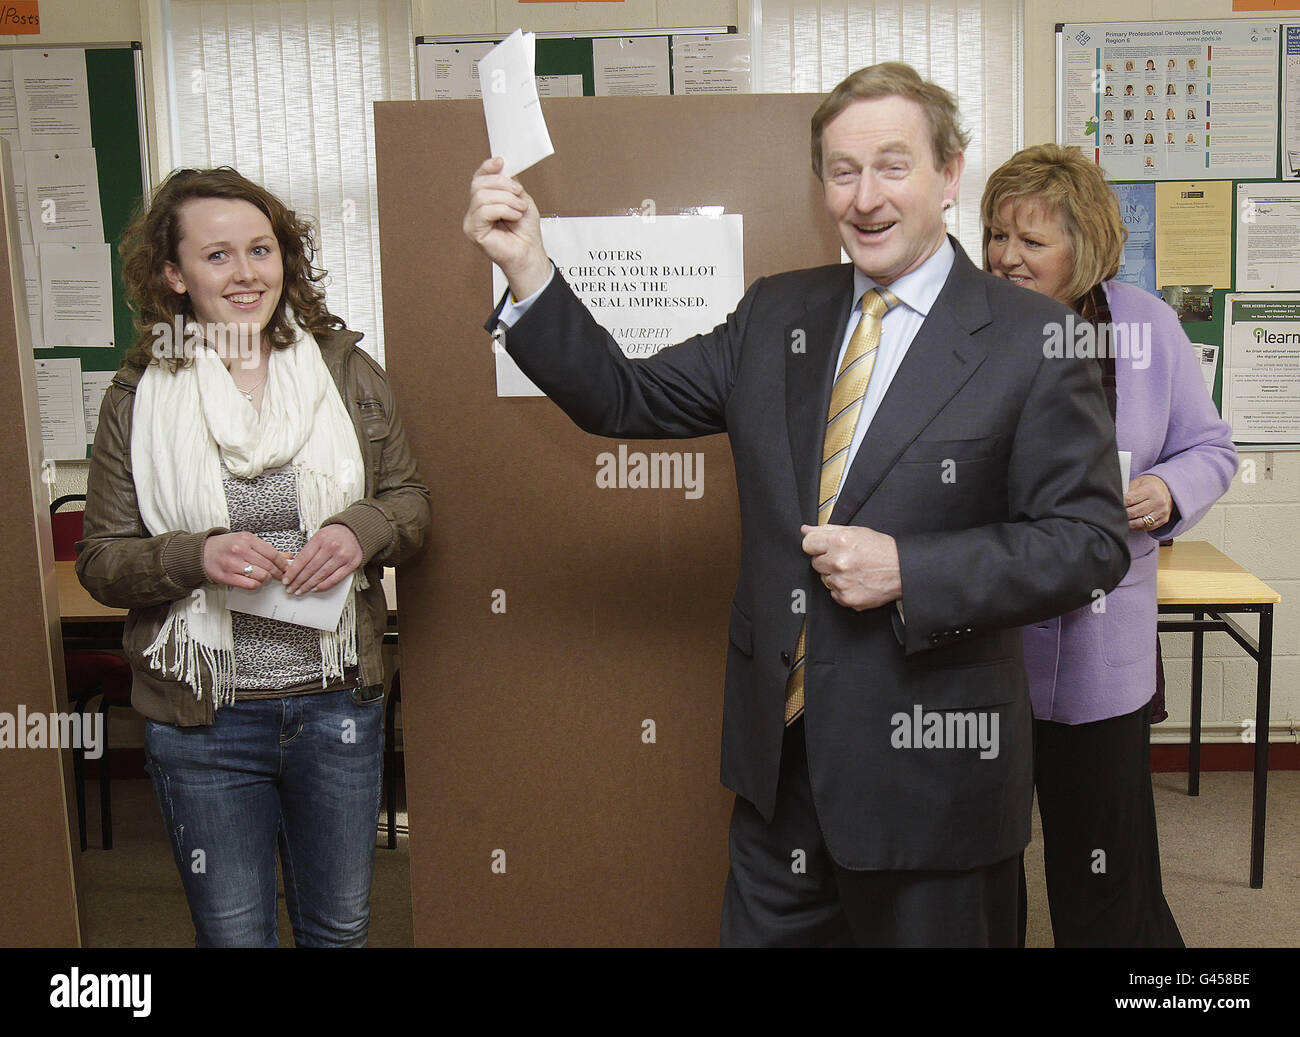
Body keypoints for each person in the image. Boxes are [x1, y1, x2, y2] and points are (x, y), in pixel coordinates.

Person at [464, 62, 1129, 947]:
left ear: (950, 175)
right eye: (843, 171)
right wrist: (529, 268)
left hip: (932, 786)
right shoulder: (778, 313)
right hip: (783, 780)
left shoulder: (1030, 339)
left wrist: (911, 569)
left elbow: (1088, 544)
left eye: (893, 166)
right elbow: (624, 397)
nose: (865, 196)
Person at [78, 167, 431, 946]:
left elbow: (411, 504)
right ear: (173, 274)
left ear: (285, 259)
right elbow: (101, 560)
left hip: (337, 705)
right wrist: (193, 554)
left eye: (261, 250)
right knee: (235, 935)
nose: (246, 274)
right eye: (218, 256)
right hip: (204, 721)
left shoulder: (344, 373)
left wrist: (360, 530)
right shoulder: (138, 394)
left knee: (338, 928)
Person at [981, 143, 1237, 947]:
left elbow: (1210, 448)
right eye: (996, 236)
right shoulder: (966, 326)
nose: (1006, 258)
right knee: (980, 861)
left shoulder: (1147, 324)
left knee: (1103, 866)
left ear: (1083, 245)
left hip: (1100, 643)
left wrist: (1167, 492)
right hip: (985, 640)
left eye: (1031, 241)